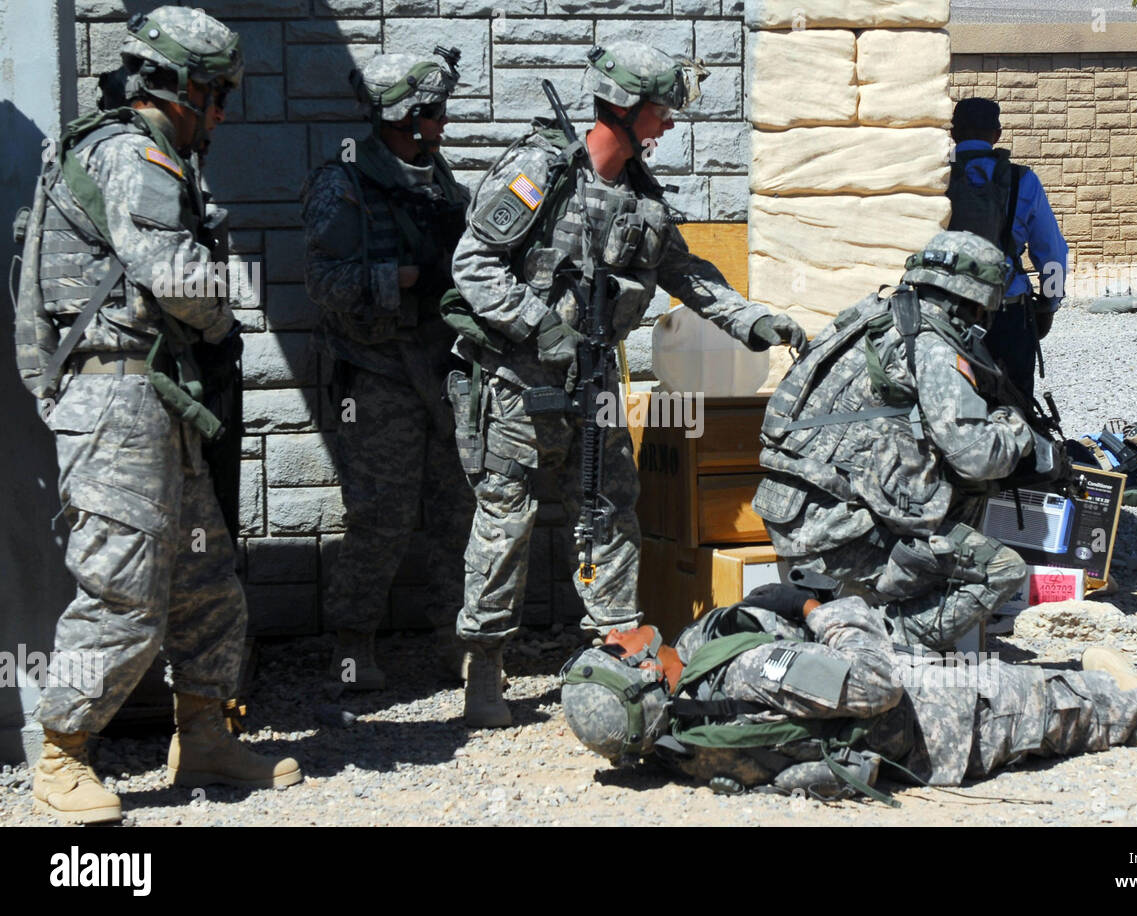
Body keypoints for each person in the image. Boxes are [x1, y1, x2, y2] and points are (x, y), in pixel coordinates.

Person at [448, 41, 806, 727]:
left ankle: (615, 643)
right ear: (625, 107)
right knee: (507, 521)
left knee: (611, 509)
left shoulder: (644, 200)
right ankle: (485, 666)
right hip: (519, 385)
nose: (669, 123)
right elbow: (475, 263)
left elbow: (688, 276)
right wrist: (541, 328)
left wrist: (755, 321)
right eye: (662, 110)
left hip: (597, 382)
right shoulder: (540, 172)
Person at [13, 6, 301, 824]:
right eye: (216, 96)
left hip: (154, 399)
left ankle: (203, 734)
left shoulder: (134, 154)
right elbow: (175, 276)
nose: (222, 115)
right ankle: (61, 756)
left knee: (206, 581)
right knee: (120, 591)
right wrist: (223, 318)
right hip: (119, 403)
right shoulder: (135, 156)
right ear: (179, 89)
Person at [560, 584, 1137, 798]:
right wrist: (824, 608)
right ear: (644, 672)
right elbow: (871, 685)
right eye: (611, 650)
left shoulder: (672, 741)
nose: (614, 635)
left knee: (1062, 681)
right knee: (1079, 710)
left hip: (931, 708)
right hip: (957, 716)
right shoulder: (748, 677)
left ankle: (1111, 679)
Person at [753, 230, 1063, 653]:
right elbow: (977, 458)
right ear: (972, 298)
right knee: (1002, 569)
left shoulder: (871, 315)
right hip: (835, 527)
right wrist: (1018, 431)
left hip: (789, 502)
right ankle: (886, 640)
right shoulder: (932, 346)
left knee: (949, 497)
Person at [301, 49, 474, 691]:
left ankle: (456, 640)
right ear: (405, 116)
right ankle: (353, 647)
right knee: (381, 515)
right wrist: (399, 279)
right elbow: (322, 281)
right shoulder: (343, 183)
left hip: (441, 369)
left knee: (456, 511)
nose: (444, 123)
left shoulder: (437, 179)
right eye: (434, 113)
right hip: (375, 375)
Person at [947, 97, 1069, 398]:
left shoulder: (935, 178)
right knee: (1016, 407)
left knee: (951, 405)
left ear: (953, 133)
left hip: (947, 310)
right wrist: (1050, 303)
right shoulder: (1022, 179)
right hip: (1009, 310)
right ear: (997, 134)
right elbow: (1053, 254)